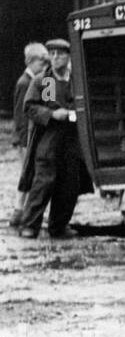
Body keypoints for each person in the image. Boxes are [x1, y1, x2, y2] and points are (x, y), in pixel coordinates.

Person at [17, 39, 92, 239]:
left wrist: (75, 113)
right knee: (42, 184)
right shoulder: (44, 80)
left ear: (68, 57)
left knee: (69, 186)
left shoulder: (77, 80)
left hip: (72, 141)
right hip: (49, 139)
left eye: (60, 54)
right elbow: (31, 106)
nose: (55, 58)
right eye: (52, 54)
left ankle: (59, 226)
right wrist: (51, 115)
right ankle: (30, 225)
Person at [10, 43, 48, 227]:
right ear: (31, 61)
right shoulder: (24, 83)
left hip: (31, 137)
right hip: (27, 137)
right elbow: (21, 115)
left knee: (30, 174)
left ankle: (22, 211)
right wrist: (24, 141)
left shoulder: (37, 81)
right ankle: (19, 211)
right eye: (42, 61)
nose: (45, 65)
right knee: (28, 174)